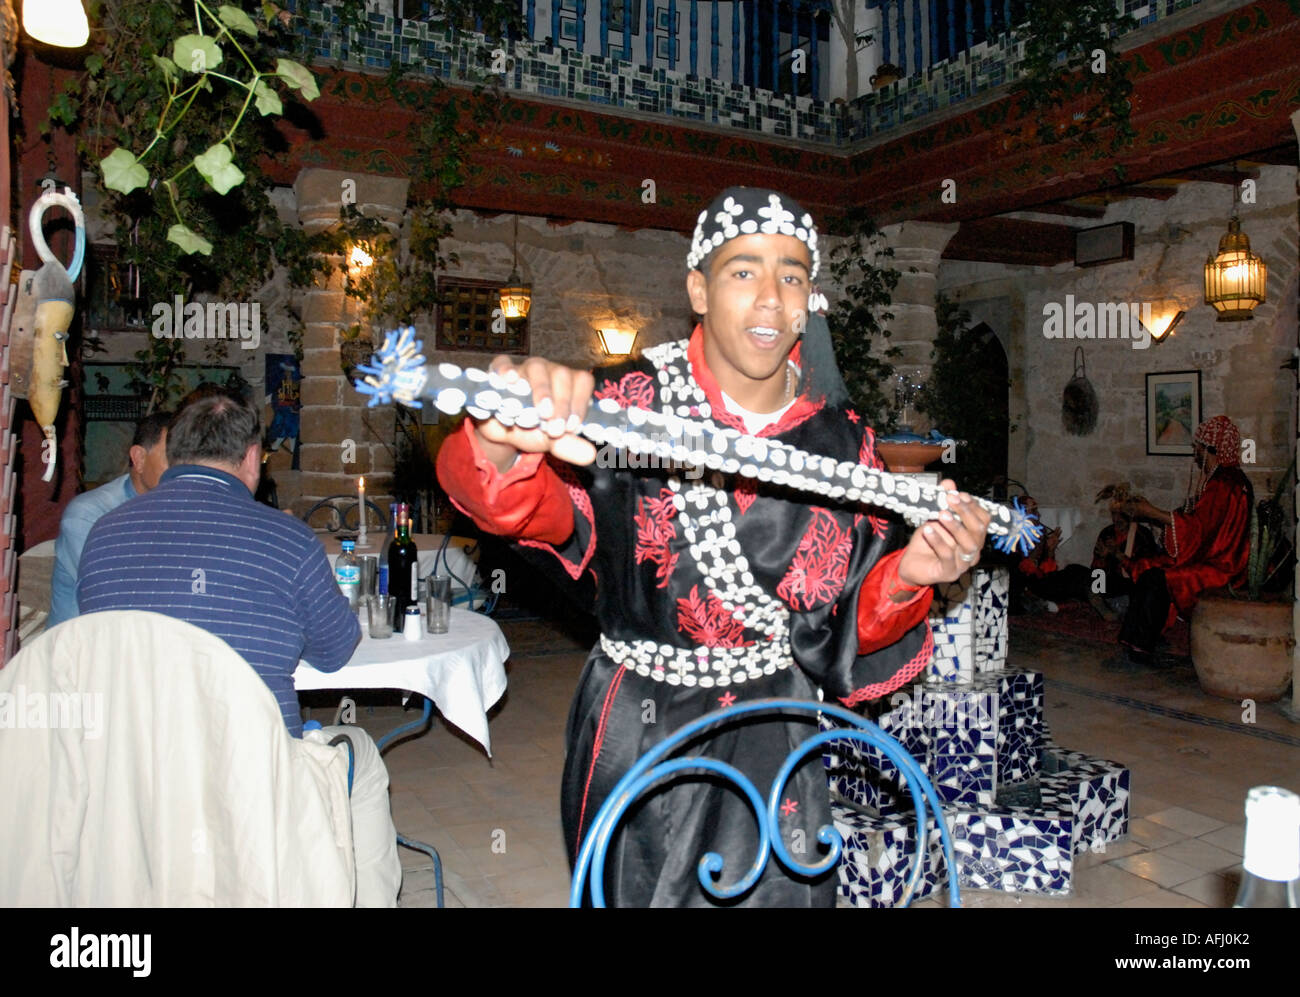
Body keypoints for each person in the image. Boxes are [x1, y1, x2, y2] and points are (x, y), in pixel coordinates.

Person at [437, 186, 991, 906]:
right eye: (743, 271)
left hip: (776, 730)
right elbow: (528, 511)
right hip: (640, 730)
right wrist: (498, 443)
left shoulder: (842, 441)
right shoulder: (620, 406)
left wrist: (915, 570)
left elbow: (846, 621)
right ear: (697, 287)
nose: (770, 298)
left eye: (791, 276)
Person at [77, 390, 401, 906]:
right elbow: (336, 651)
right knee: (362, 755)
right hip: (255, 780)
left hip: (134, 773)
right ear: (252, 458)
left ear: (175, 452)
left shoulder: (103, 535)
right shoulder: (289, 540)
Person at [1116, 415, 1251, 666]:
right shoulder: (1229, 478)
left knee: (1157, 578)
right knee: (1149, 566)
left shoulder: (1223, 484)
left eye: (1198, 445)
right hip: (1212, 557)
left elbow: (1199, 530)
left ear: (1209, 448)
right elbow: (1204, 525)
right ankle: (1140, 640)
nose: (1195, 451)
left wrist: (1152, 512)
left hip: (1222, 568)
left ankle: (1141, 646)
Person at [46, 409, 172, 630]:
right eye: (173, 458)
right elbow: (117, 602)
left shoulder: (179, 509)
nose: (185, 470)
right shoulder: (89, 515)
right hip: (79, 652)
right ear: (139, 458)